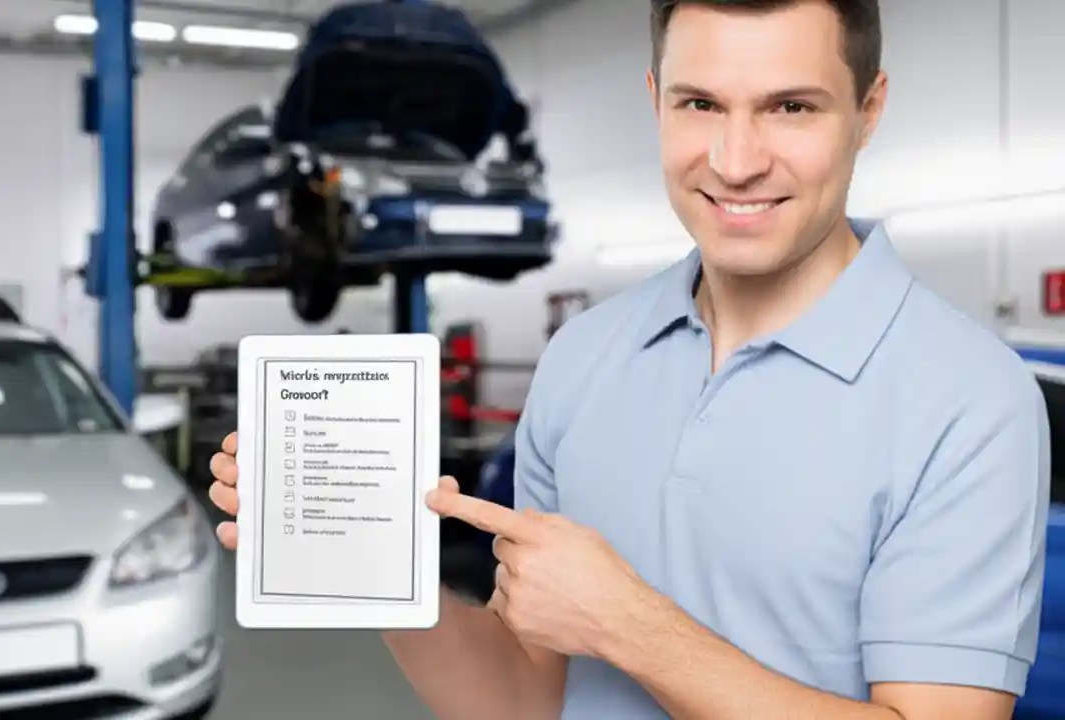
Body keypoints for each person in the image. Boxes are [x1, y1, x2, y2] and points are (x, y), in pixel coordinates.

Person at [208, 0, 1053, 717]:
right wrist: (375, 562)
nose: (736, 160)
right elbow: (525, 699)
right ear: (656, 100)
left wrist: (627, 624)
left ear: (870, 109)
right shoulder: (583, 356)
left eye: (791, 107)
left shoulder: (970, 398)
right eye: (700, 105)